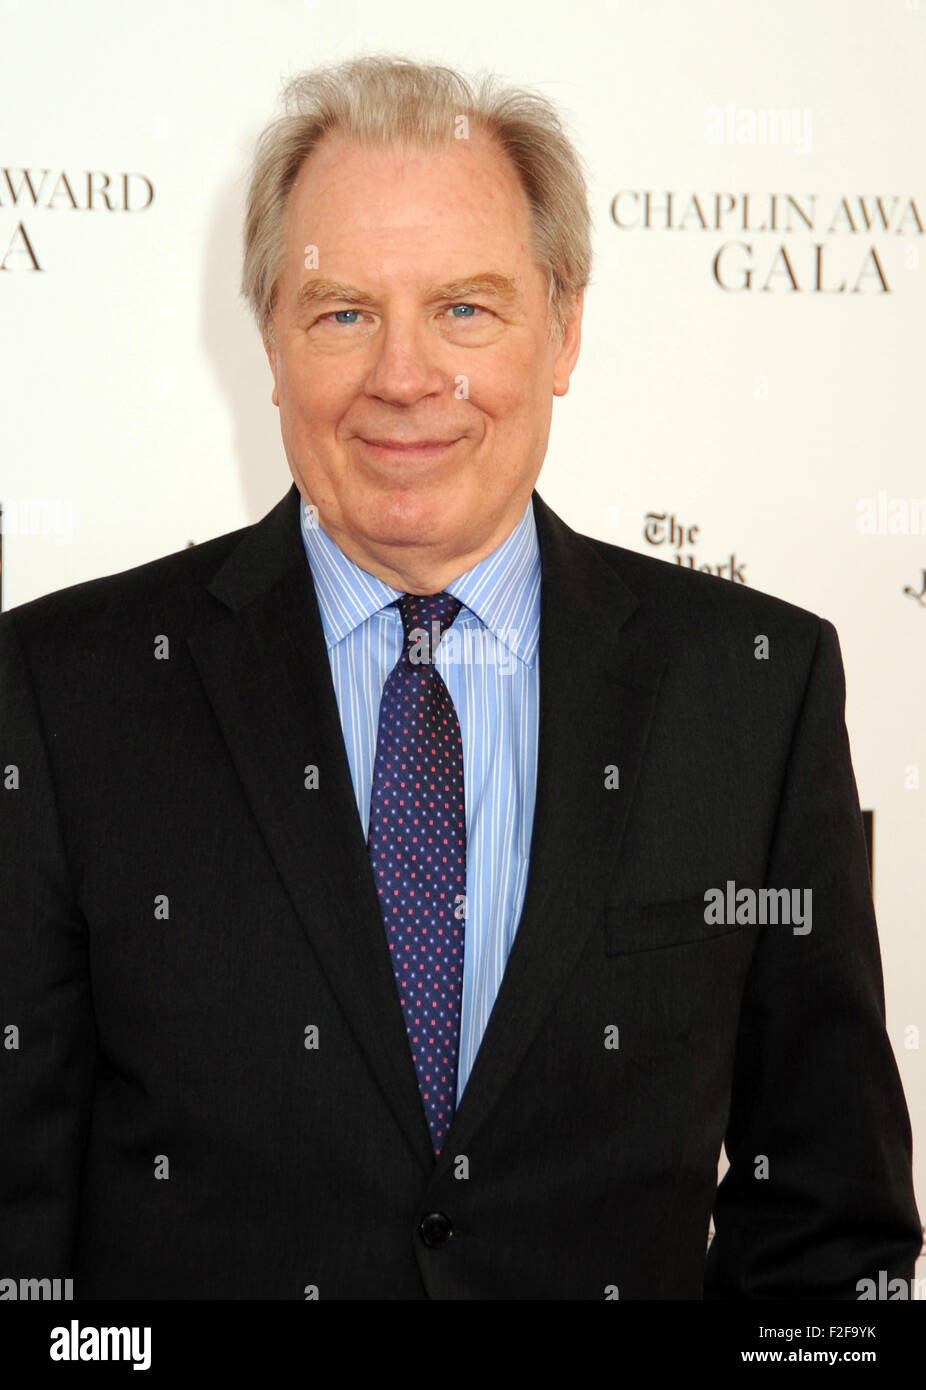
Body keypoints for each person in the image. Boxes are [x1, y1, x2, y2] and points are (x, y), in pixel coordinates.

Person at [0, 54, 919, 1300]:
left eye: (464, 310)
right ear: (268, 339)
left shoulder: (753, 688)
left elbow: (825, 1223)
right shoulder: (64, 693)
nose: (402, 376)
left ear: (564, 331)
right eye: (341, 313)